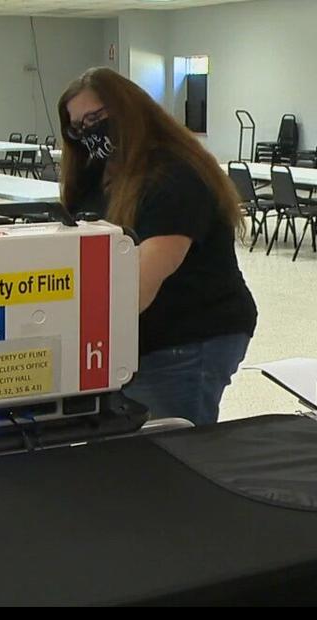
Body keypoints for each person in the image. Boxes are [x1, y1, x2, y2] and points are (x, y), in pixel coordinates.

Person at [59, 67, 258, 427]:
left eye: (96, 118)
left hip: (189, 336)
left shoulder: (174, 176)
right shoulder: (98, 176)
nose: (88, 131)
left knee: (175, 453)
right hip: (136, 338)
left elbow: (138, 285)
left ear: (127, 110)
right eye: (78, 127)